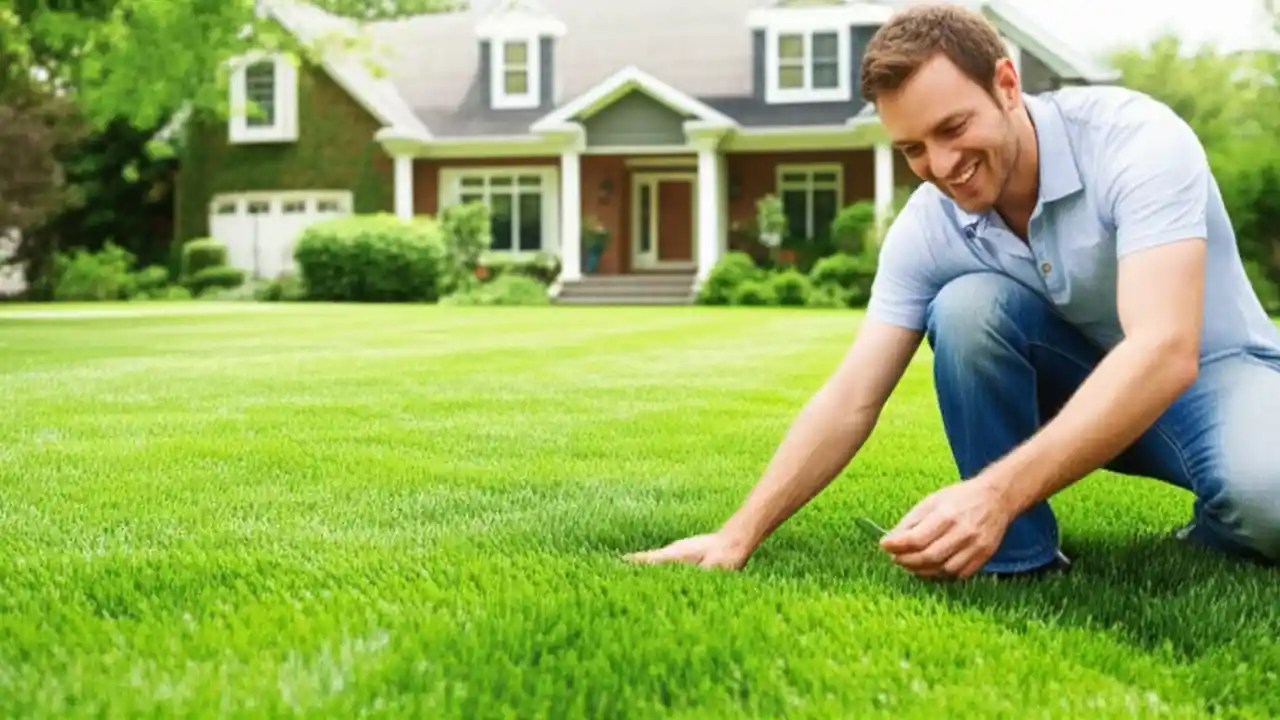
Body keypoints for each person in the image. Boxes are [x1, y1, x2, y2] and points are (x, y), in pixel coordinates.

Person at [625, 4, 1280, 579]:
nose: (940, 167)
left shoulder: (1135, 141)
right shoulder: (929, 227)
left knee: (1267, 500)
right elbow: (852, 396)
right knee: (967, 309)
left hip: (1222, 376)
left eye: (952, 128)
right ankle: (1017, 561)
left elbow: (1165, 349)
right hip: (1088, 386)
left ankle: (1219, 524)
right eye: (913, 148)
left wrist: (992, 493)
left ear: (1006, 84)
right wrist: (738, 534)